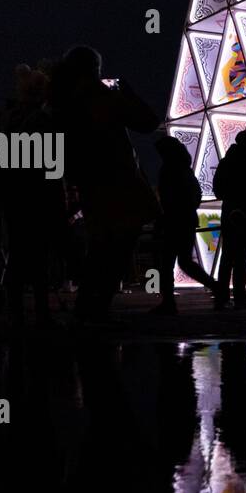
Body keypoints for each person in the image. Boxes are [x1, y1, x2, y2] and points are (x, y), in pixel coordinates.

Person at [49, 45, 159, 324]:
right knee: (119, 247)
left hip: (91, 184)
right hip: (118, 182)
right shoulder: (100, 97)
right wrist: (128, 94)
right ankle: (96, 307)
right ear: (95, 69)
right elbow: (148, 121)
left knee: (101, 246)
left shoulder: (65, 102)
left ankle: (89, 306)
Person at [0, 62, 65, 326]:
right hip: (38, 195)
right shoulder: (43, 120)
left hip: (15, 194)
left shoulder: (10, 119)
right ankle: (41, 312)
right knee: (39, 257)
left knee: (18, 254)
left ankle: (16, 311)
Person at [152, 135, 218, 314]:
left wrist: (164, 216)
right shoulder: (184, 169)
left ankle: (169, 303)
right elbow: (196, 195)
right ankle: (216, 288)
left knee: (167, 263)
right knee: (184, 262)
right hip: (186, 220)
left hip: (174, 221)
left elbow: (167, 198)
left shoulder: (169, 170)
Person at [211, 129, 246, 309]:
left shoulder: (226, 162)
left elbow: (217, 189)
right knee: (241, 257)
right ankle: (240, 296)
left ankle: (222, 297)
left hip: (229, 213)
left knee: (228, 257)